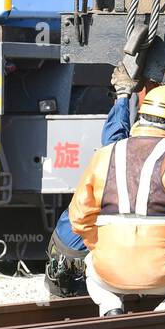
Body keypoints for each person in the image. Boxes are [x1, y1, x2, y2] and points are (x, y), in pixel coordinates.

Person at [68, 85, 165, 316]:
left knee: (91, 267)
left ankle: (110, 306)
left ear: (141, 118)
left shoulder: (103, 155)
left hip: (110, 271)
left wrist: (100, 247)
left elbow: (79, 218)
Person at [42, 65, 137, 298]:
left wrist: (123, 97)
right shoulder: (135, 175)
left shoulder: (109, 160)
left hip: (61, 251)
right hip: (81, 260)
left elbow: (114, 135)